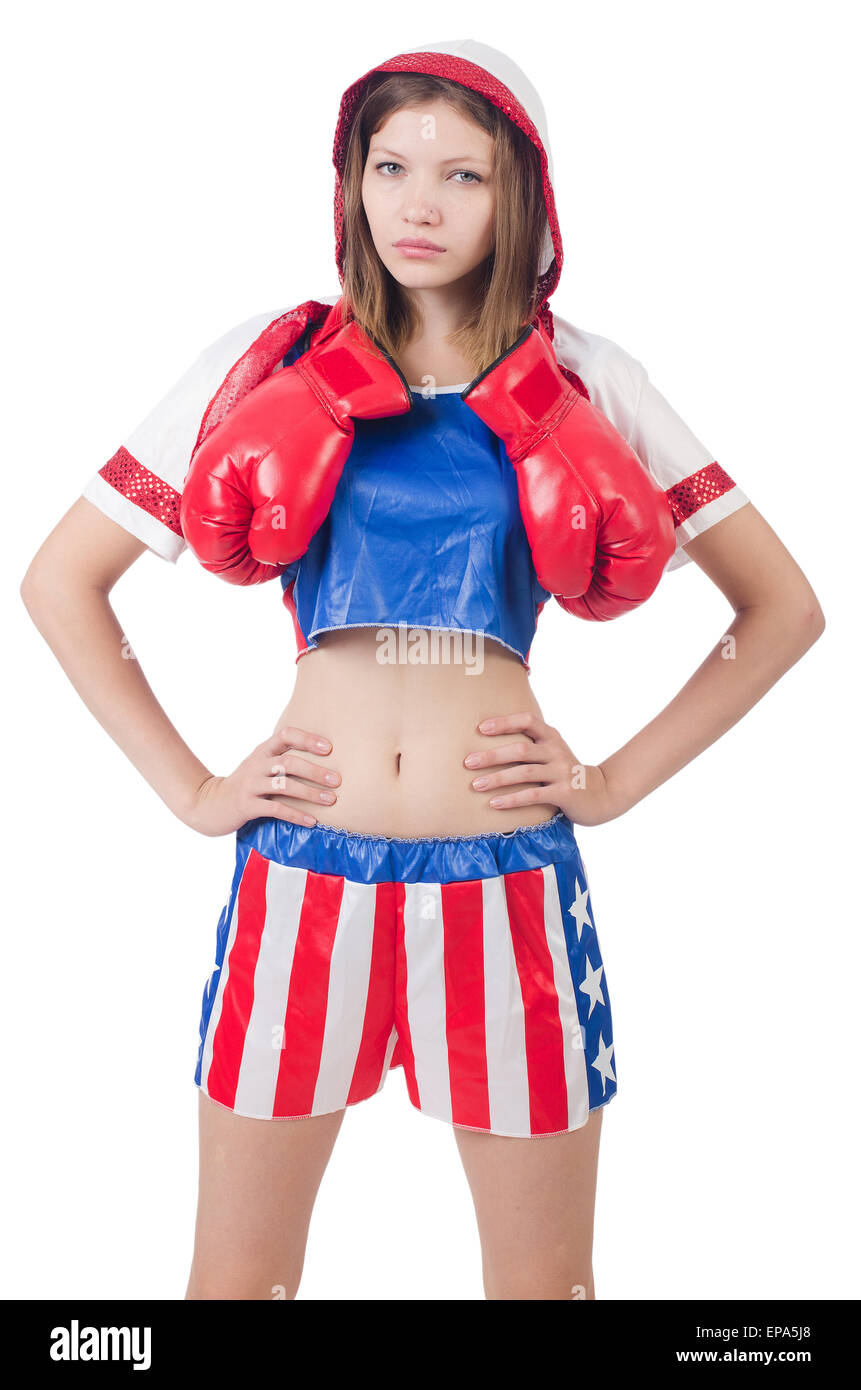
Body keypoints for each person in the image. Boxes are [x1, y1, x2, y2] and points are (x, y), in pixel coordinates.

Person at [20, 39, 825, 1302]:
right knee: (235, 1290)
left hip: (504, 879)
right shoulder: (271, 362)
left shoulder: (588, 380)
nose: (420, 204)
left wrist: (611, 782)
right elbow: (61, 580)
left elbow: (782, 608)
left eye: (464, 174)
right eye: (390, 166)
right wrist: (190, 790)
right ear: (350, 183)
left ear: (523, 197)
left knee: (542, 1292)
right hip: (301, 875)